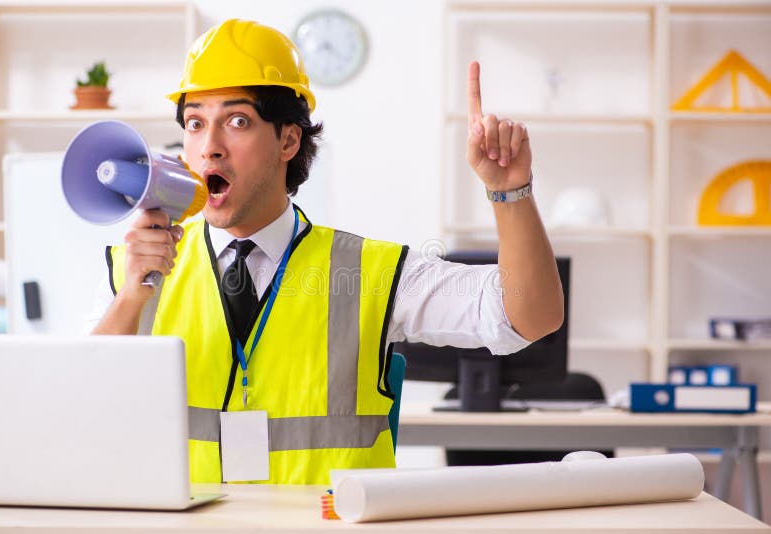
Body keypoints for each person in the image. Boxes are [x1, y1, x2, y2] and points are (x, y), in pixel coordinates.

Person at [89, 19, 563, 485]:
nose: (209, 147)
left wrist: (510, 192)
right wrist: (132, 295)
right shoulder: (139, 269)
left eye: (237, 121)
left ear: (288, 140)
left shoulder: (368, 271)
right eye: (195, 123)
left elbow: (529, 316)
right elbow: (88, 406)